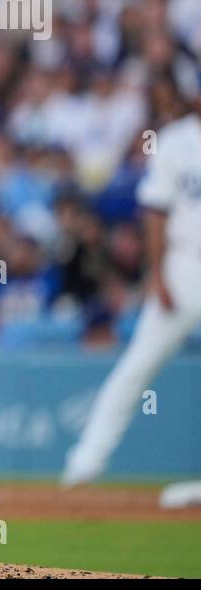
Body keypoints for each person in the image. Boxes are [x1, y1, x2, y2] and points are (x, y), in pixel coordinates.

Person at [62, 74, 201, 507]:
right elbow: (155, 212)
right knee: (138, 365)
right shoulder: (177, 140)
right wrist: (156, 275)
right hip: (184, 265)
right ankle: (84, 463)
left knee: (137, 366)